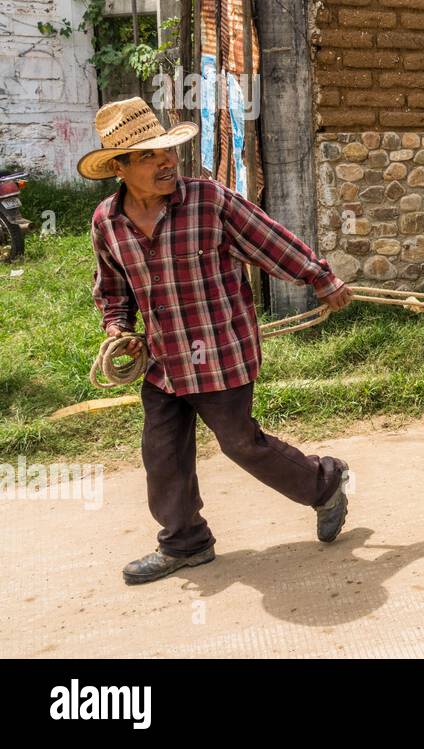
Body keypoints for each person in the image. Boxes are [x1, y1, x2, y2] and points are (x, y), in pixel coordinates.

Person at [79, 98, 356, 585]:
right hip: (162, 363)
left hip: (221, 352)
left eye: (167, 151)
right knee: (162, 454)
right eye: (148, 156)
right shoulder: (107, 222)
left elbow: (270, 240)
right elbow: (113, 289)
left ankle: (324, 482)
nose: (167, 162)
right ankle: (185, 543)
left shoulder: (209, 201)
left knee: (240, 444)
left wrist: (320, 277)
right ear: (119, 168)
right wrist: (117, 329)